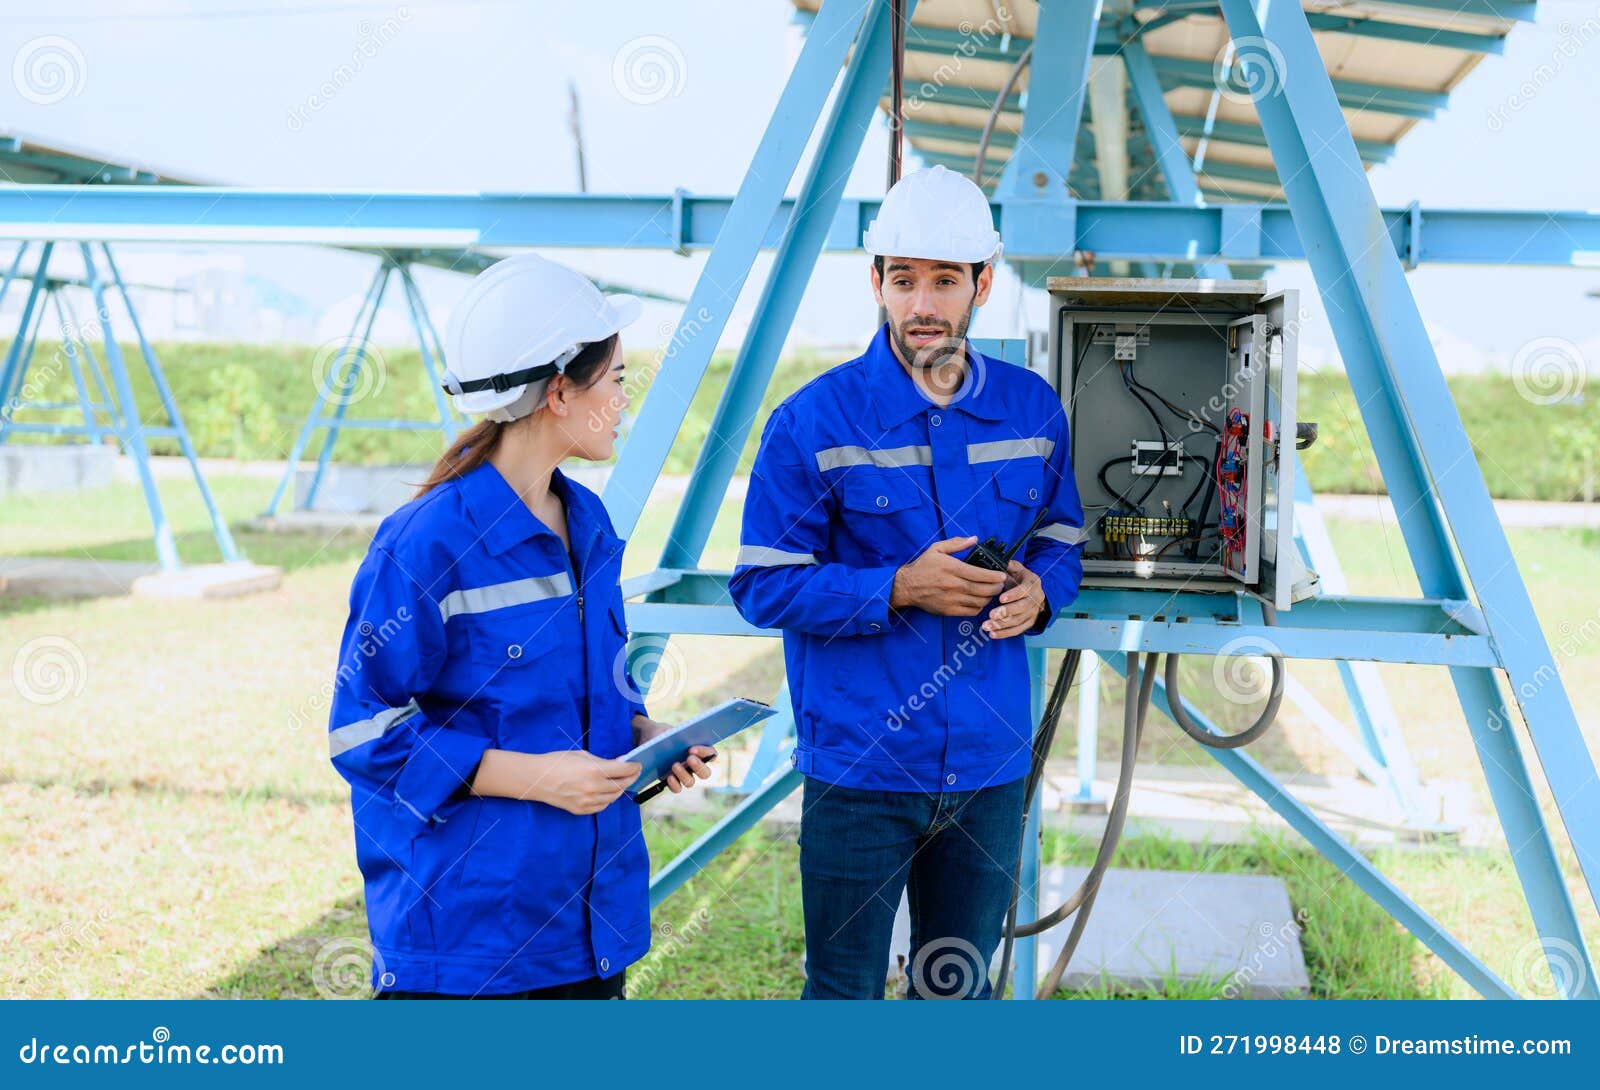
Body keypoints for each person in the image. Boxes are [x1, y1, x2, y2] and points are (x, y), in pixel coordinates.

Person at [729, 165, 1087, 999]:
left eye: (944, 281)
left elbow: (1063, 539)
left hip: (988, 773)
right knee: (843, 999)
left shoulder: (1034, 412)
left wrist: (1043, 595)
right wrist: (895, 588)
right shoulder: (811, 423)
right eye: (903, 280)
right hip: (860, 770)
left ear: (983, 286)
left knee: (955, 1000)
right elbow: (762, 586)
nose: (922, 302)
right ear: (877, 283)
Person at [326, 254, 714, 999]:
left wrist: (644, 739)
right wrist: (537, 777)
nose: (626, 401)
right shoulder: (425, 543)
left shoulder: (589, 523)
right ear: (561, 390)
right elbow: (360, 733)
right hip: (472, 938)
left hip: (589, 926)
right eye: (618, 380)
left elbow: (587, 691)